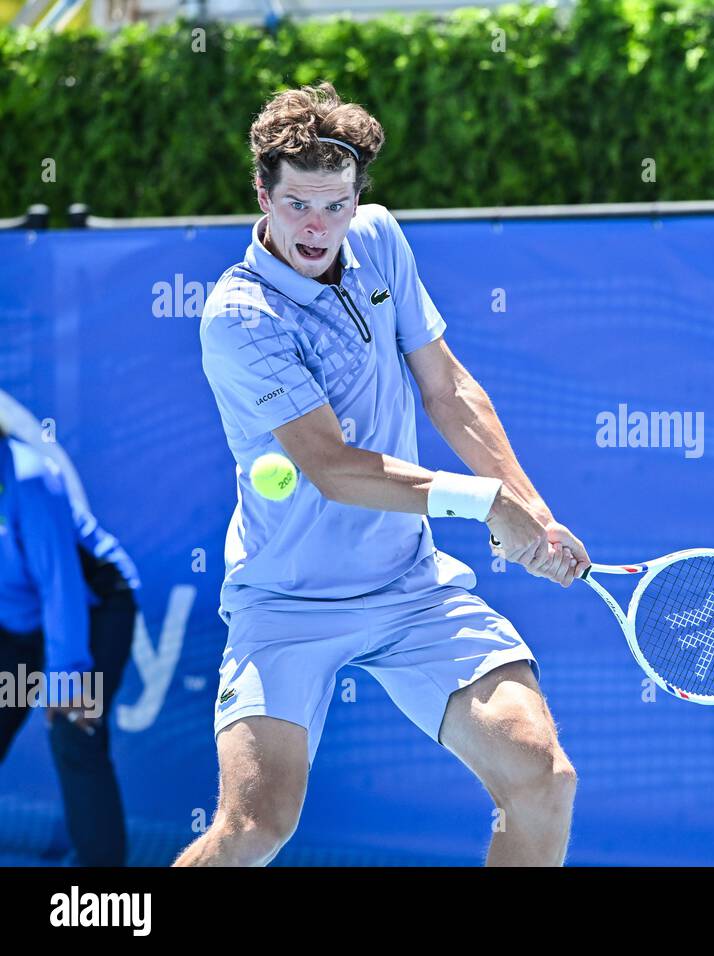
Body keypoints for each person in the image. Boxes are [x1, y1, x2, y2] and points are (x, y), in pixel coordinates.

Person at [175, 81, 590, 868]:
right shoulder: (240, 317)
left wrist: (530, 510)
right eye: (297, 204)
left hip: (409, 586)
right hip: (287, 602)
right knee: (254, 830)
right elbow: (330, 466)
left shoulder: (379, 240)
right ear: (261, 193)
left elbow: (448, 387)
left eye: (336, 206)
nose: (317, 227)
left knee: (541, 774)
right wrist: (482, 502)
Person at [0, 428, 140, 866]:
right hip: (18, 620)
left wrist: (70, 681)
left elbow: (61, 589)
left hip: (95, 609)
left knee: (73, 731)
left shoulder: (30, 478)